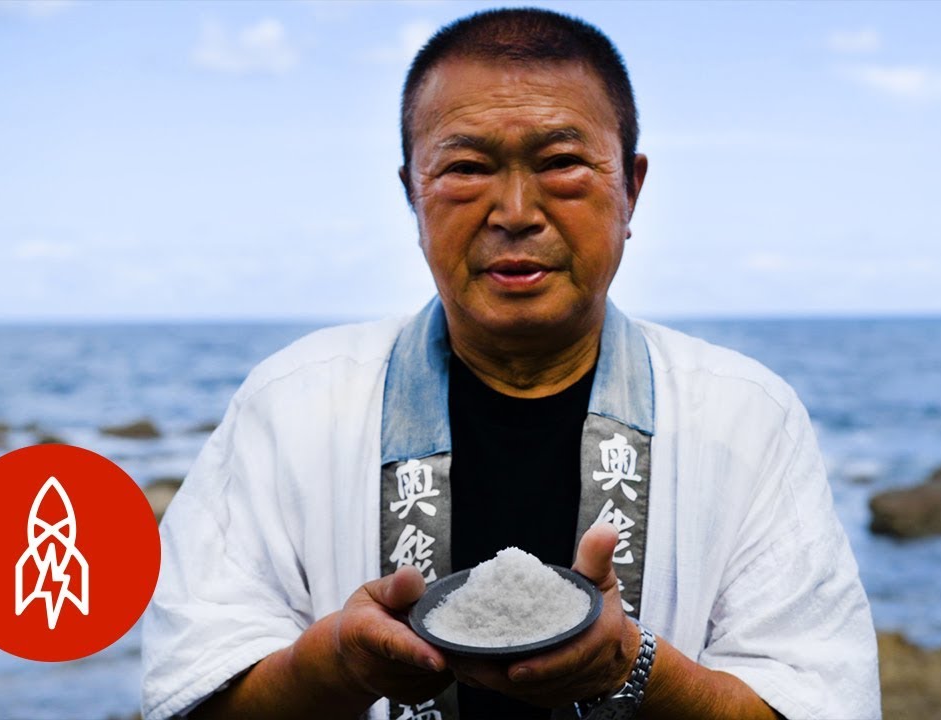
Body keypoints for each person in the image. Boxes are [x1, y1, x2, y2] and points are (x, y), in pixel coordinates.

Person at [141, 8, 879, 720]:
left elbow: (819, 700)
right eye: (467, 168)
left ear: (631, 187)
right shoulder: (293, 405)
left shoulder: (744, 415)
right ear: (412, 194)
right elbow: (187, 690)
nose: (516, 211)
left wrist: (632, 667)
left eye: (561, 162)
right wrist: (336, 663)